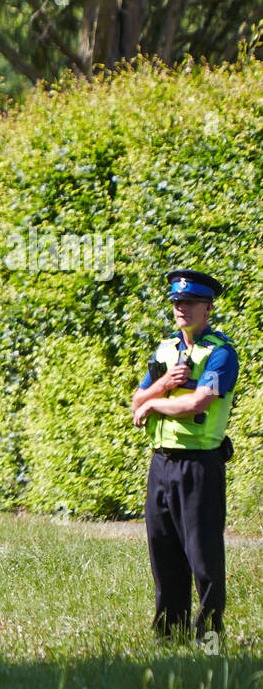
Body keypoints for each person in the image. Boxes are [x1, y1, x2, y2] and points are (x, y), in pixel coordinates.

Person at [131, 269, 237, 642]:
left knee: (203, 556)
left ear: (207, 308)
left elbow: (198, 403)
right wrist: (163, 385)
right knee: (164, 553)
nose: (182, 309)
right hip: (161, 463)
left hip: (199, 465)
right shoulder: (164, 350)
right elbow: (136, 400)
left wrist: (153, 405)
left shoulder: (221, 353)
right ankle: (169, 636)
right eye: (177, 303)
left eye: (190, 303)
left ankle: (209, 637)